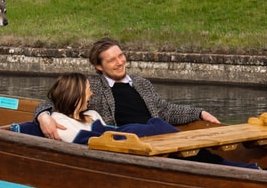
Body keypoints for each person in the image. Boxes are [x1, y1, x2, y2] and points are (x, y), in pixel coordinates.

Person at [34, 37, 220, 140]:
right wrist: (43, 117)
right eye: (112, 60)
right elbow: (54, 100)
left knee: (198, 152)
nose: (119, 62)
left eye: (120, 56)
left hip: (159, 137)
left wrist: (200, 113)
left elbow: (165, 110)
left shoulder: (141, 83)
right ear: (99, 66)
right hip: (129, 143)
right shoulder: (93, 86)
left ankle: (247, 169)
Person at [46, 72, 104, 143]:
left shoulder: (93, 114)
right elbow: (84, 141)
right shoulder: (58, 120)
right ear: (76, 93)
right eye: (89, 89)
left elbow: (111, 134)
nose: (91, 93)